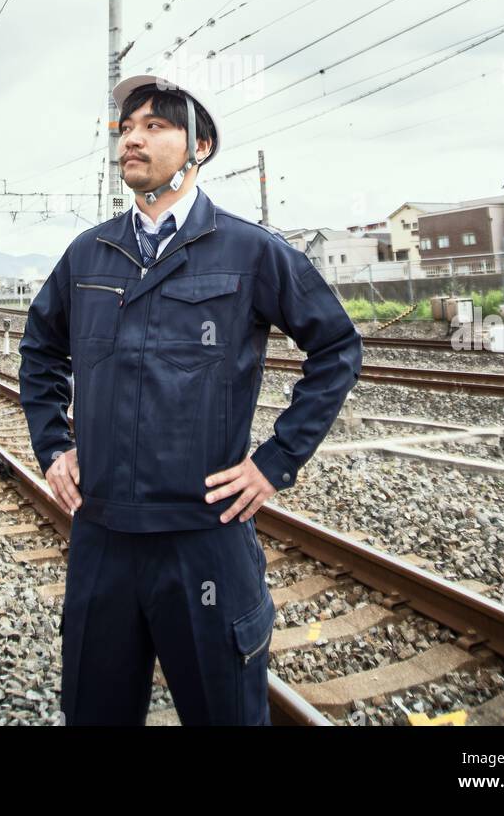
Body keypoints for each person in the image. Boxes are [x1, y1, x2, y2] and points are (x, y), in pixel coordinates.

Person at [18, 73, 362, 726]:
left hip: (205, 539)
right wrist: (54, 446)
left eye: (154, 126)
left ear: (199, 145)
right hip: (102, 538)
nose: (132, 139)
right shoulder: (89, 254)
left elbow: (338, 348)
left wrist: (275, 462)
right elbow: (39, 350)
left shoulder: (249, 250)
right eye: (126, 128)